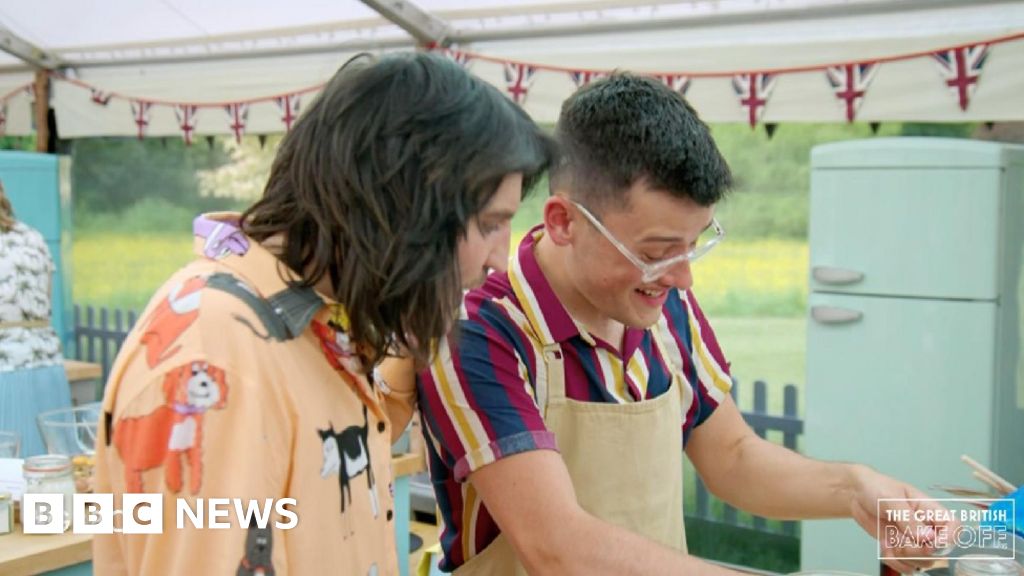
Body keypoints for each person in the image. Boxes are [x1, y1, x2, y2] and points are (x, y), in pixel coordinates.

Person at [414, 73, 954, 575]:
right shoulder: (478, 335)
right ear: (564, 222)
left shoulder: (663, 308)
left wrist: (855, 488)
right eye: (656, 252)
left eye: (692, 246)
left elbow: (733, 459)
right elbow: (558, 547)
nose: (682, 278)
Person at [92, 51, 555, 575]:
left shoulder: (314, 325)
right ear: (402, 206)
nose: (499, 260)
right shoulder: (222, 360)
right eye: (491, 224)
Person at [0, 180, 72, 457]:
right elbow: (46, 302)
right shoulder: (33, 237)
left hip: (6, 371)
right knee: (53, 468)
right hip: (47, 367)